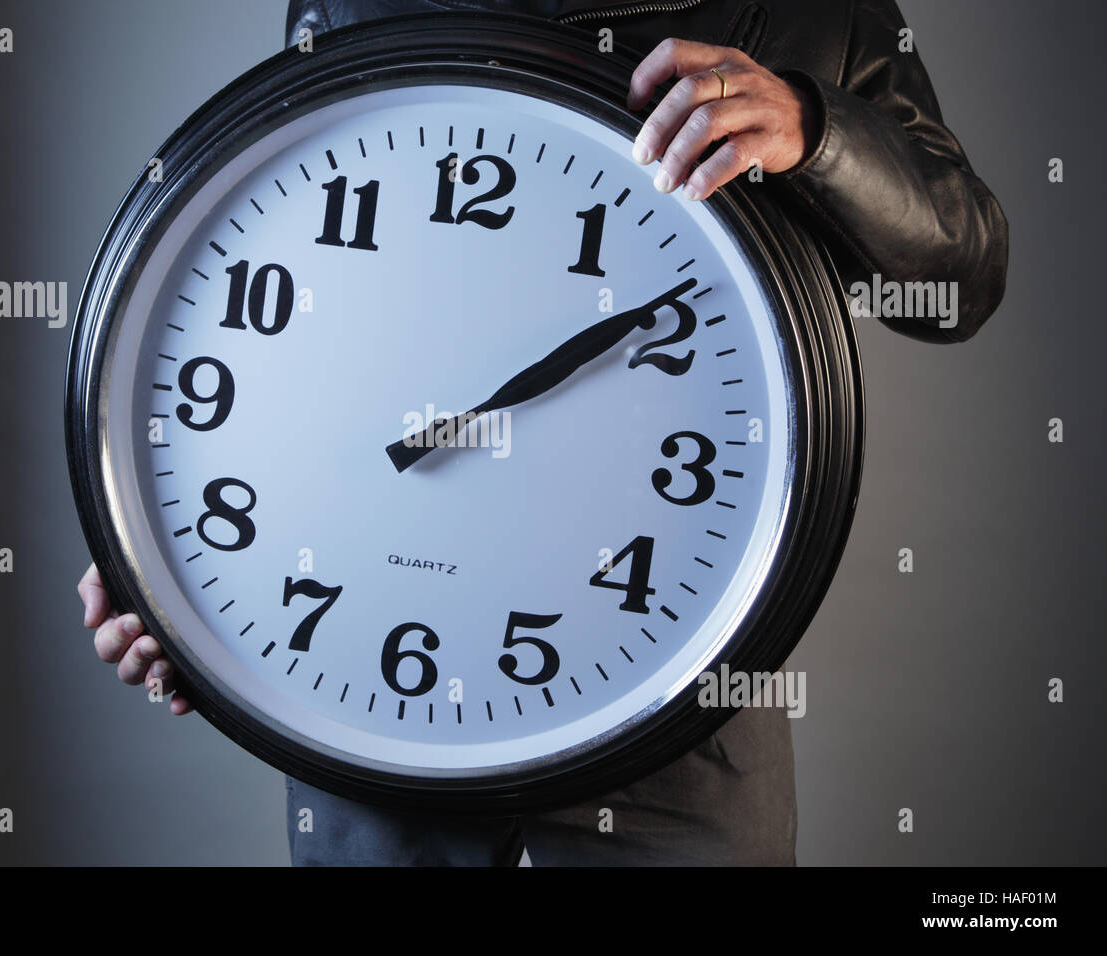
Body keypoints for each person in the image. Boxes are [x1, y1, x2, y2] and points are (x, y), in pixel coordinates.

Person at [76, 0, 1008, 865]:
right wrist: (173, 565)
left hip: (679, 671)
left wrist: (819, 132)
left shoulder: (817, 9)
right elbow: (276, 278)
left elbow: (963, 276)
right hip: (372, 686)